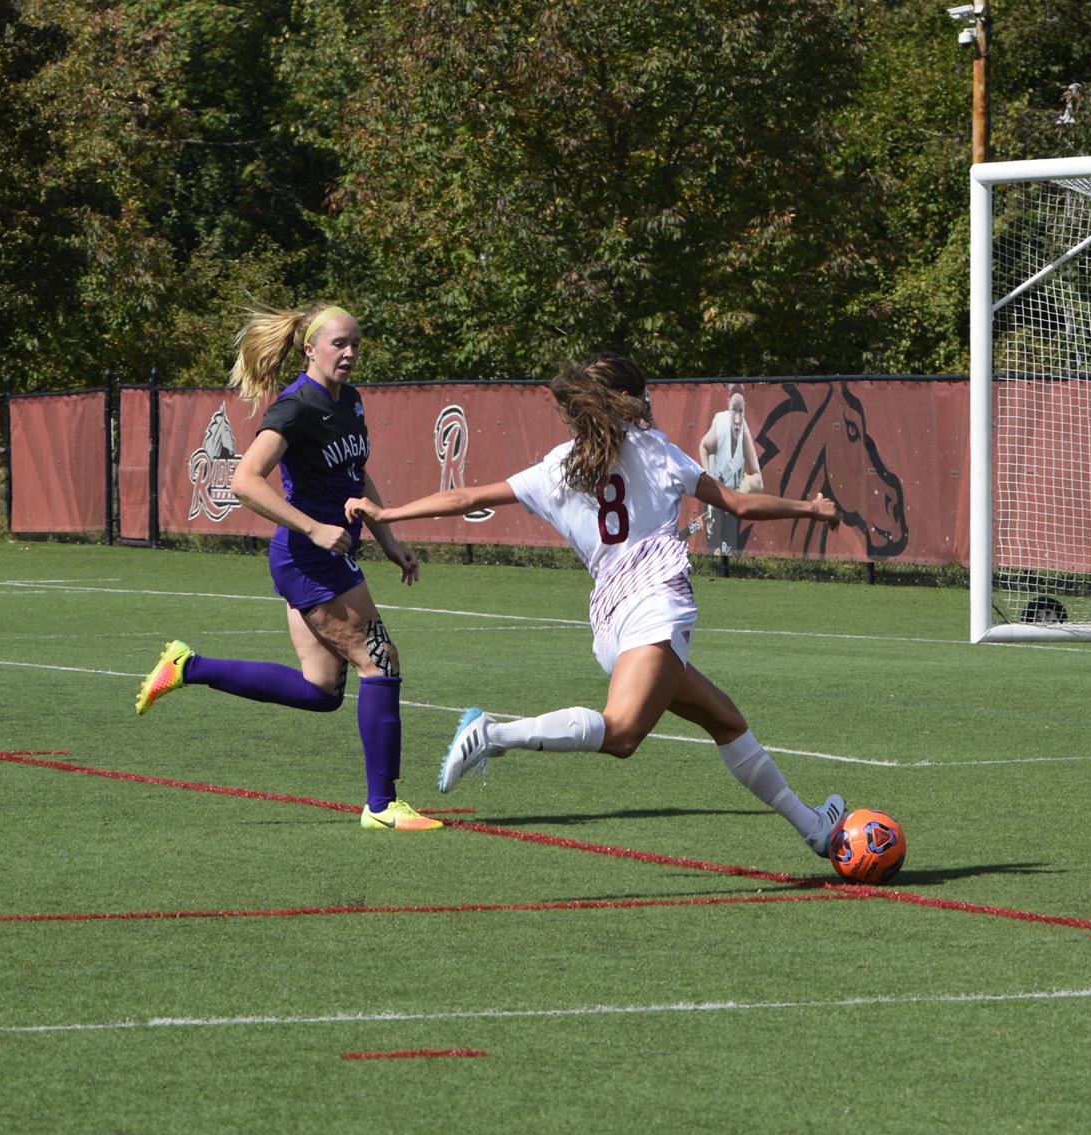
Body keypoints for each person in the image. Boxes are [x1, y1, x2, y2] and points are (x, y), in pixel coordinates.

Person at [346, 353, 847, 860]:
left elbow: (467, 497)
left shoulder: (556, 467)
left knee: (726, 722)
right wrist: (810, 507)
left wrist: (388, 512)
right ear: (627, 400)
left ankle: (815, 828)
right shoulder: (655, 451)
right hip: (655, 605)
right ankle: (493, 733)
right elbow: (739, 504)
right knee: (624, 733)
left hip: (611, 621)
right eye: (643, 393)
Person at [133, 302, 443, 831]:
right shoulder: (295, 407)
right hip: (307, 557)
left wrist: (388, 536)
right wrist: (315, 529)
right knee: (381, 660)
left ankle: (188, 666)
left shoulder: (351, 401)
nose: (348, 354)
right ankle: (382, 806)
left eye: (355, 345)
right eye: (338, 344)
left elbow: (355, 475)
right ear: (310, 349)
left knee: (320, 691)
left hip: (325, 557)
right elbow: (245, 480)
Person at [691, 384, 764, 557]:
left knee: (729, 550)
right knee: (716, 549)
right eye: (734, 411)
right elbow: (704, 446)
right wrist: (710, 486)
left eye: (741, 411)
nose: (738, 418)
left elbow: (758, 479)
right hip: (715, 497)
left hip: (731, 500)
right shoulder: (721, 424)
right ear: (728, 406)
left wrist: (740, 490)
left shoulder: (743, 427)